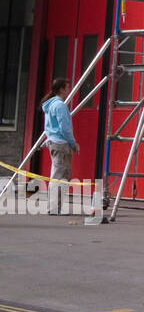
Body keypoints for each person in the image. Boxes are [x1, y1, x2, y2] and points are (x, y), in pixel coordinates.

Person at [41, 78, 79, 214]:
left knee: (61, 174)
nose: (68, 90)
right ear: (61, 89)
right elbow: (65, 127)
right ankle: (54, 207)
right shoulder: (60, 106)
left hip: (53, 142)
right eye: (67, 88)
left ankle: (55, 206)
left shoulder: (51, 105)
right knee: (59, 175)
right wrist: (73, 143)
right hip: (61, 144)